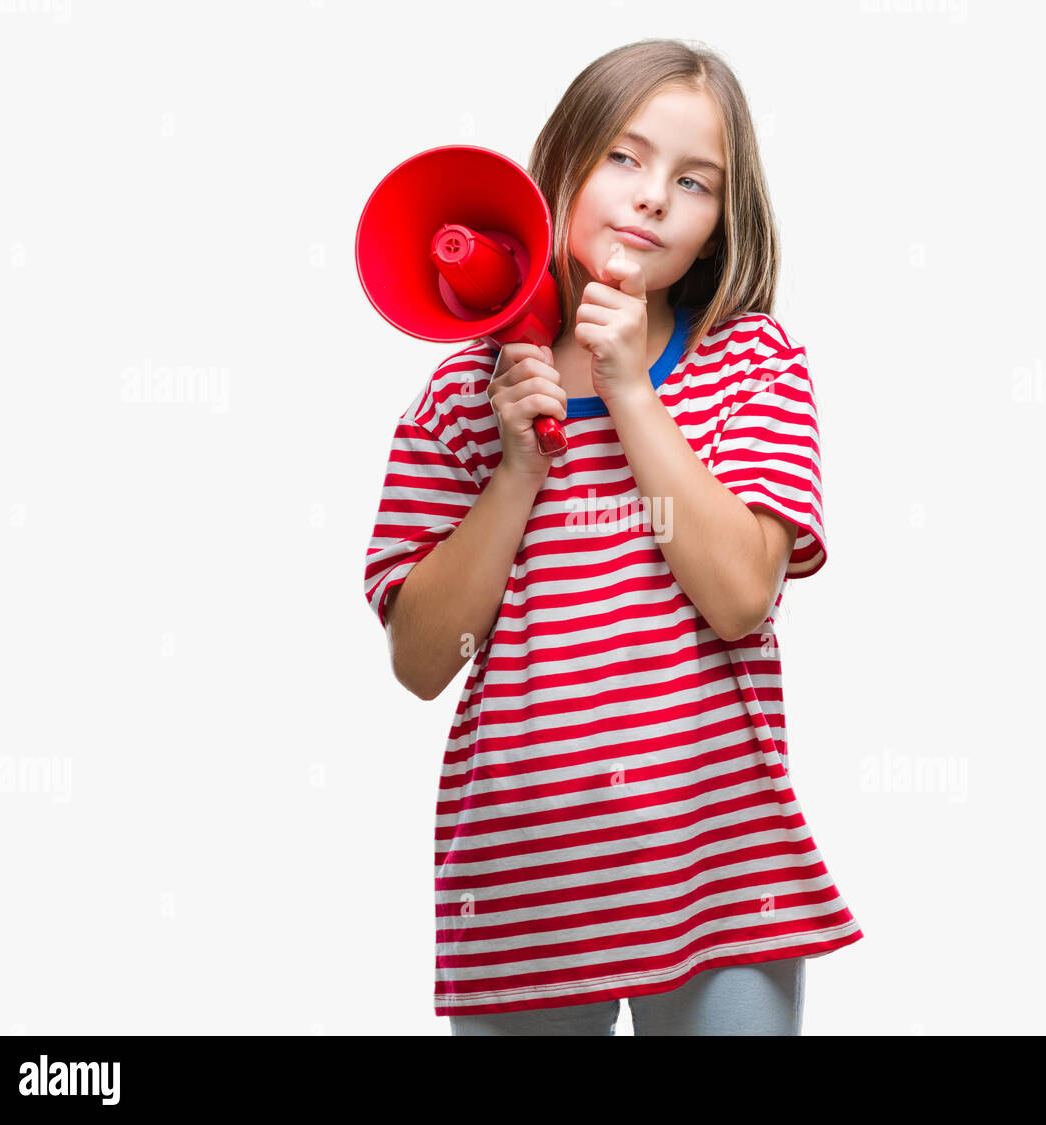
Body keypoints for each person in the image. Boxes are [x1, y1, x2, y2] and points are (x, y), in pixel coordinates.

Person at [363, 38, 863, 1036]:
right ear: (561, 166)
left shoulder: (752, 364)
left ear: (722, 221)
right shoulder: (460, 401)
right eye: (624, 160)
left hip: (723, 878)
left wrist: (630, 388)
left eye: (694, 182)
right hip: (521, 893)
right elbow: (425, 662)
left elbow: (737, 597)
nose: (651, 199)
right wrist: (516, 471)